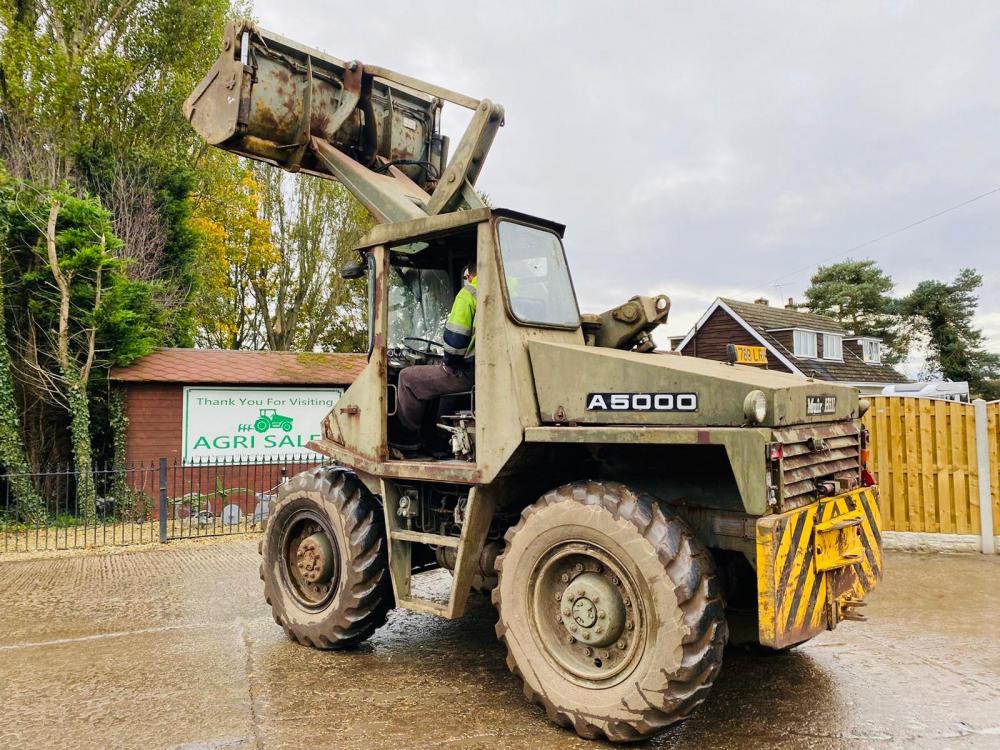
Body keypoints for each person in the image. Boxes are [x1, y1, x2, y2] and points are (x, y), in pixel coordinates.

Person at [392, 260, 477, 453]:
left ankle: (408, 438)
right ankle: (438, 437)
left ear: (470, 276)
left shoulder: (470, 293)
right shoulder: (509, 290)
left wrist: (448, 363)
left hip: (470, 373)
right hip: (491, 371)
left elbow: (455, 343)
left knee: (407, 378)